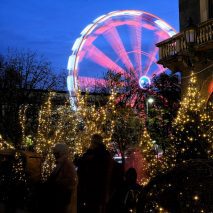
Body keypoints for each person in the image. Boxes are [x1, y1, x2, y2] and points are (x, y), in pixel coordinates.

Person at [76, 134, 123, 213]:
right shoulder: (105, 157)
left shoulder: (90, 157)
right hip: (101, 193)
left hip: (91, 192)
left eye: (92, 142)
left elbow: (82, 172)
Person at [38, 143, 77, 213]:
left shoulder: (66, 164)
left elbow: (71, 181)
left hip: (60, 197)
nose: (54, 155)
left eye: (56, 153)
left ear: (60, 153)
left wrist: (56, 183)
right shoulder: (61, 163)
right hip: (59, 196)